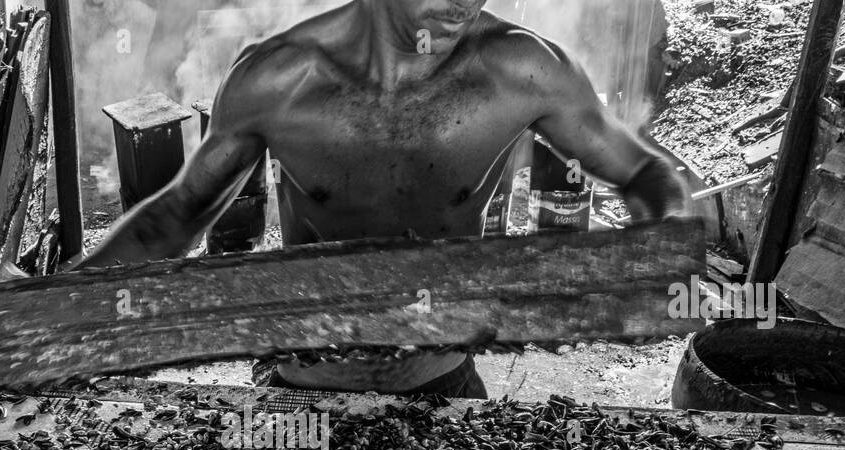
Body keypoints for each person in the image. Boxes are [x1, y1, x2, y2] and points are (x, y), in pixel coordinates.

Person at [77, 0, 692, 398]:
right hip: (304, 392)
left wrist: (654, 241)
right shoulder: (279, 78)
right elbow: (176, 216)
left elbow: (643, 173)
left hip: (442, 383)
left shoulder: (520, 70)